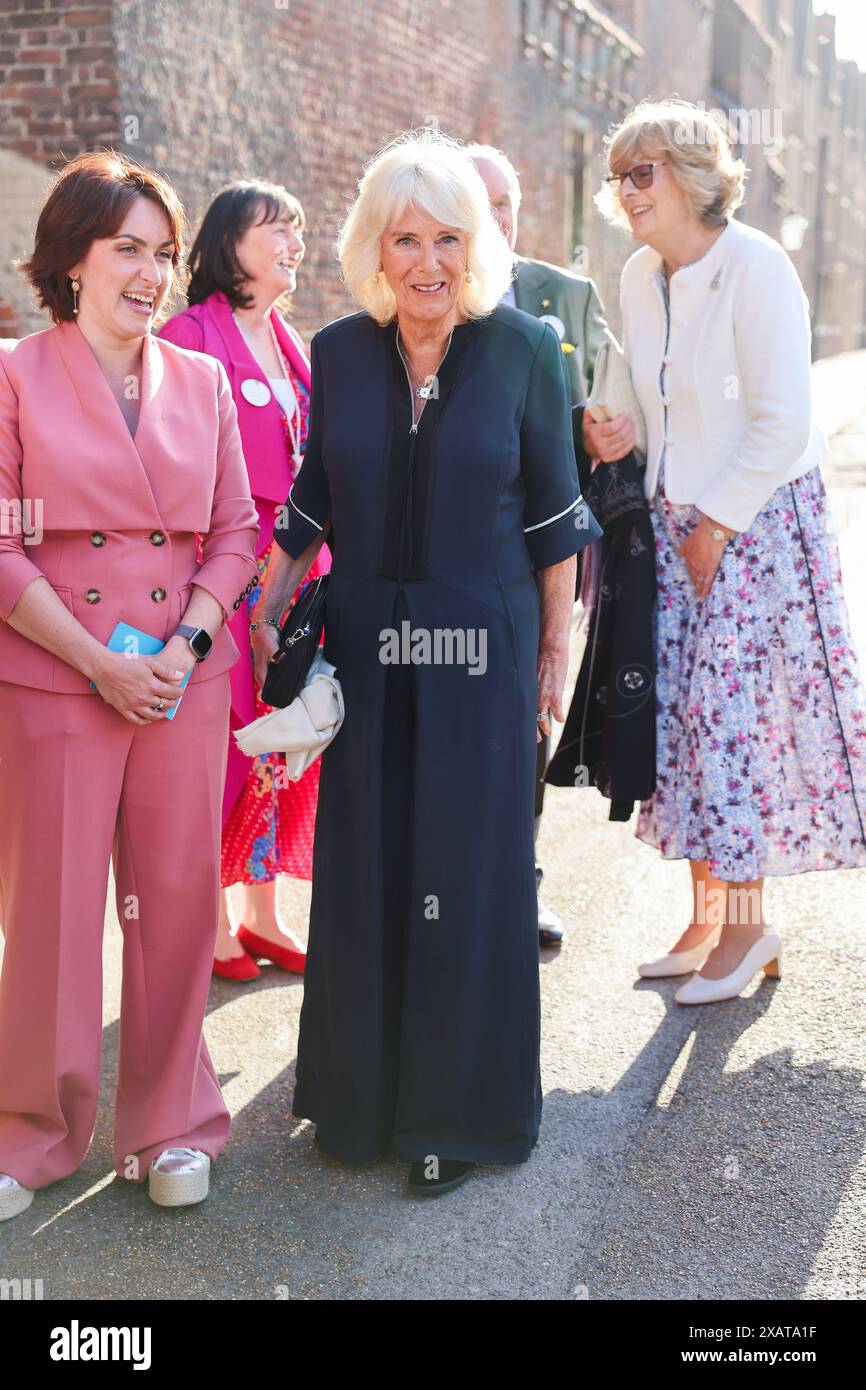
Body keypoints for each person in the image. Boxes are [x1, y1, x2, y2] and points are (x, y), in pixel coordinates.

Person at [250, 127, 600, 1196]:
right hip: (366, 646)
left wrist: (553, 658)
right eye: (405, 238)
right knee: (363, 866)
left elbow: (553, 519)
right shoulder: (344, 350)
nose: (427, 262)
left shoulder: (525, 348)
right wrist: (263, 607)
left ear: (477, 244)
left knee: (463, 877)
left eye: (449, 237)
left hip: (478, 654)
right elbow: (315, 491)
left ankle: (456, 1115)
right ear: (375, 247)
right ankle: (356, 1103)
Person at [0, 151, 259, 1222]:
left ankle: (169, 1126)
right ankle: (33, 1133)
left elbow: (237, 533)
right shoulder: (13, 374)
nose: (150, 273)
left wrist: (181, 650)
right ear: (72, 260)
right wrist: (98, 661)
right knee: (52, 914)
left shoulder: (200, 380)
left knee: (174, 904)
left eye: (163, 252)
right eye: (127, 251)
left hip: (176, 681)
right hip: (59, 676)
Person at [595, 98, 866, 1003]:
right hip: (679, 526)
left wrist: (714, 527)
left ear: (695, 177)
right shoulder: (640, 275)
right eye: (619, 177)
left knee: (736, 720)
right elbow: (650, 398)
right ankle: (709, 917)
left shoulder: (757, 266)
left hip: (755, 526)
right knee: (688, 720)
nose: (628, 192)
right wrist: (613, 430)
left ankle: (750, 932)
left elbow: (785, 416)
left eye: (645, 172)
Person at [159, 181, 329, 982]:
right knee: (224, 746)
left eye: (297, 228)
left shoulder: (294, 343)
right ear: (231, 245)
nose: (294, 241)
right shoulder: (192, 335)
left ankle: (264, 910)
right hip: (224, 577)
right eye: (277, 229)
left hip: (301, 577)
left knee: (286, 744)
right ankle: (215, 920)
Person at [468, 141, 633, 945]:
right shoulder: (426, 292)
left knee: (535, 706)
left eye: (505, 203)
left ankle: (519, 877)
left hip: (554, 542)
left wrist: (607, 430)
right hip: (454, 548)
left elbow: (614, 401)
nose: (494, 216)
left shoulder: (566, 295)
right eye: (479, 201)